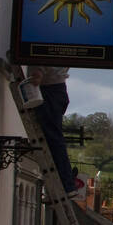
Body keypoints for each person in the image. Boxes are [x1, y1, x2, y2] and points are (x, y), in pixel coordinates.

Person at [24, 65, 82, 195]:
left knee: (54, 139)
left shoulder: (51, 51)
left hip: (50, 89)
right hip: (56, 88)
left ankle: (67, 183)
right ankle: (67, 181)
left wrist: (39, 70)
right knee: (53, 139)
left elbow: (48, 58)